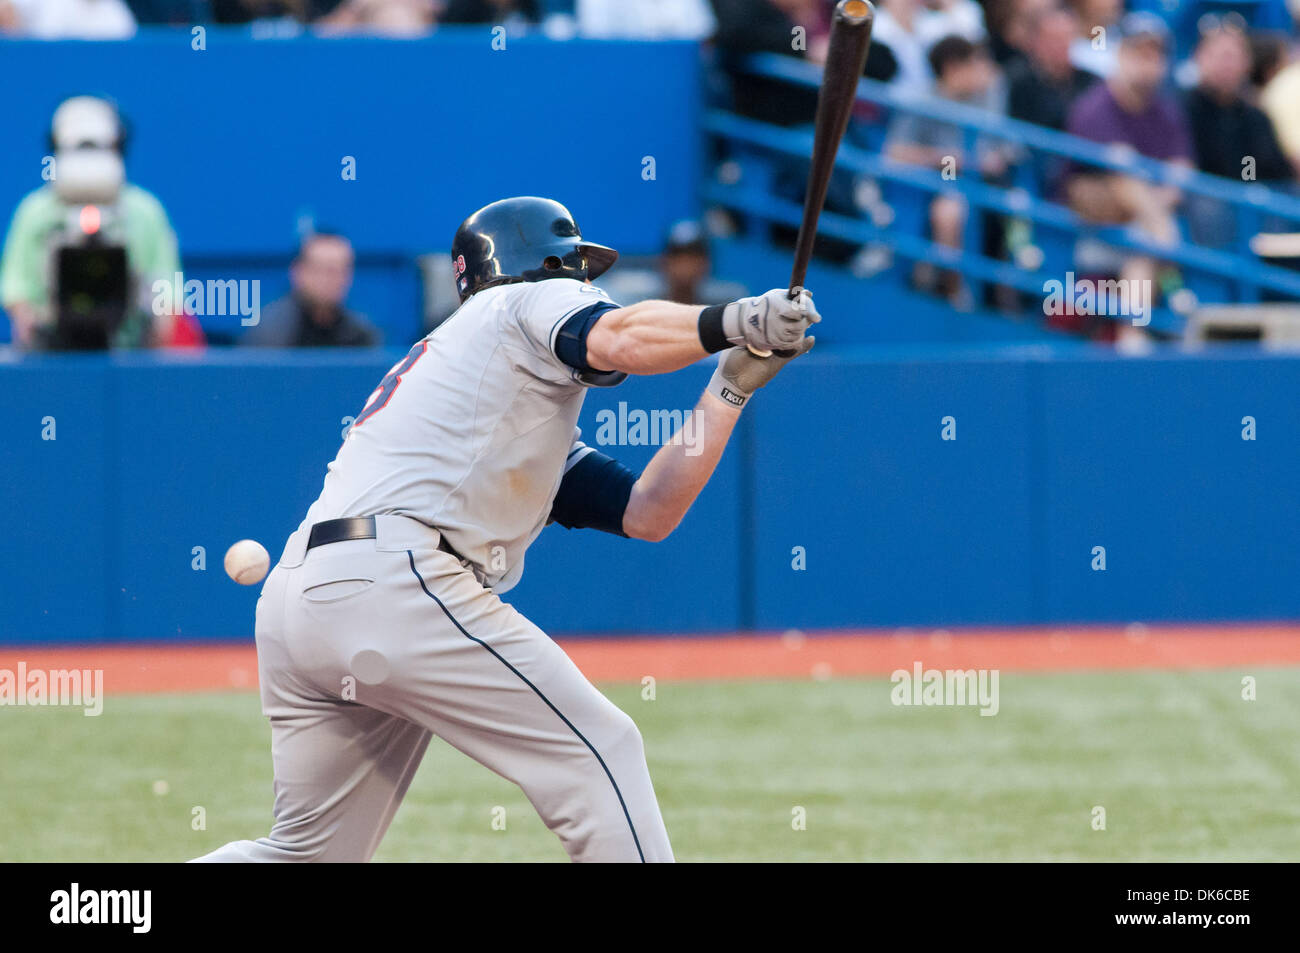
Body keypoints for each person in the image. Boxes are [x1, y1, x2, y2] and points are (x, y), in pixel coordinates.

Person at [191, 196, 818, 863]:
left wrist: (727, 388)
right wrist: (738, 317)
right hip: (391, 580)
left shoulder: (486, 388)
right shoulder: (520, 302)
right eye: (576, 268)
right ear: (541, 264)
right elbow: (621, 338)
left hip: (304, 600)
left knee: (306, 856)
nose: (586, 284)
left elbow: (647, 510)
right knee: (601, 749)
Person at [1, 96, 182, 350]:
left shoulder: (145, 213)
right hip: (51, 360)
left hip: (129, 356)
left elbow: (168, 305)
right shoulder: (34, 213)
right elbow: (18, 299)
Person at [1064, 13, 1192, 338]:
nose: (1148, 64)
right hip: (1091, 224)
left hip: (1139, 231)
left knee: (1144, 253)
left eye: (1155, 55)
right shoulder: (1094, 106)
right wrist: (1157, 211)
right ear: (1120, 55)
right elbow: (1115, 173)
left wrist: (1156, 202)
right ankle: (1169, 257)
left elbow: (1182, 172)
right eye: (1139, 54)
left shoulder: (1167, 110)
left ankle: (1131, 337)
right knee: (1124, 180)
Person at [886, 35, 1013, 304]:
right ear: (952, 68)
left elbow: (1000, 153)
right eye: (974, 63)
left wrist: (981, 161)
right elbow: (895, 154)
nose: (983, 69)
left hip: (991, 184)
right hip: (943, 184)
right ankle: (955, 293)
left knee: (1019, 208)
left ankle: (1011, 296)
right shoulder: (923, 100)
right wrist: (950, 157)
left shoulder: (989, 92)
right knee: (948, 212)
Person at [241, 231, 380, 348]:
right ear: (298, 272)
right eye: (324, 270)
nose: (333, 280)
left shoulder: (362, 334)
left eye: (341, 270)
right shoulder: (269, 334)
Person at [597, 220, 748, 307]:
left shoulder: (727, 303)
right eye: (678, 256)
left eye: (693, 257)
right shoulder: (632, 295)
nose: (685, 265)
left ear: (706, 263)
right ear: (664, 261)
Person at [1006, 4, 1098, 131]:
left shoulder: (1091, 82)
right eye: (1055, 39)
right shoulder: (1016, 80)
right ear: (1035, 40)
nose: (1063, 45)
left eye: (1068, 37)